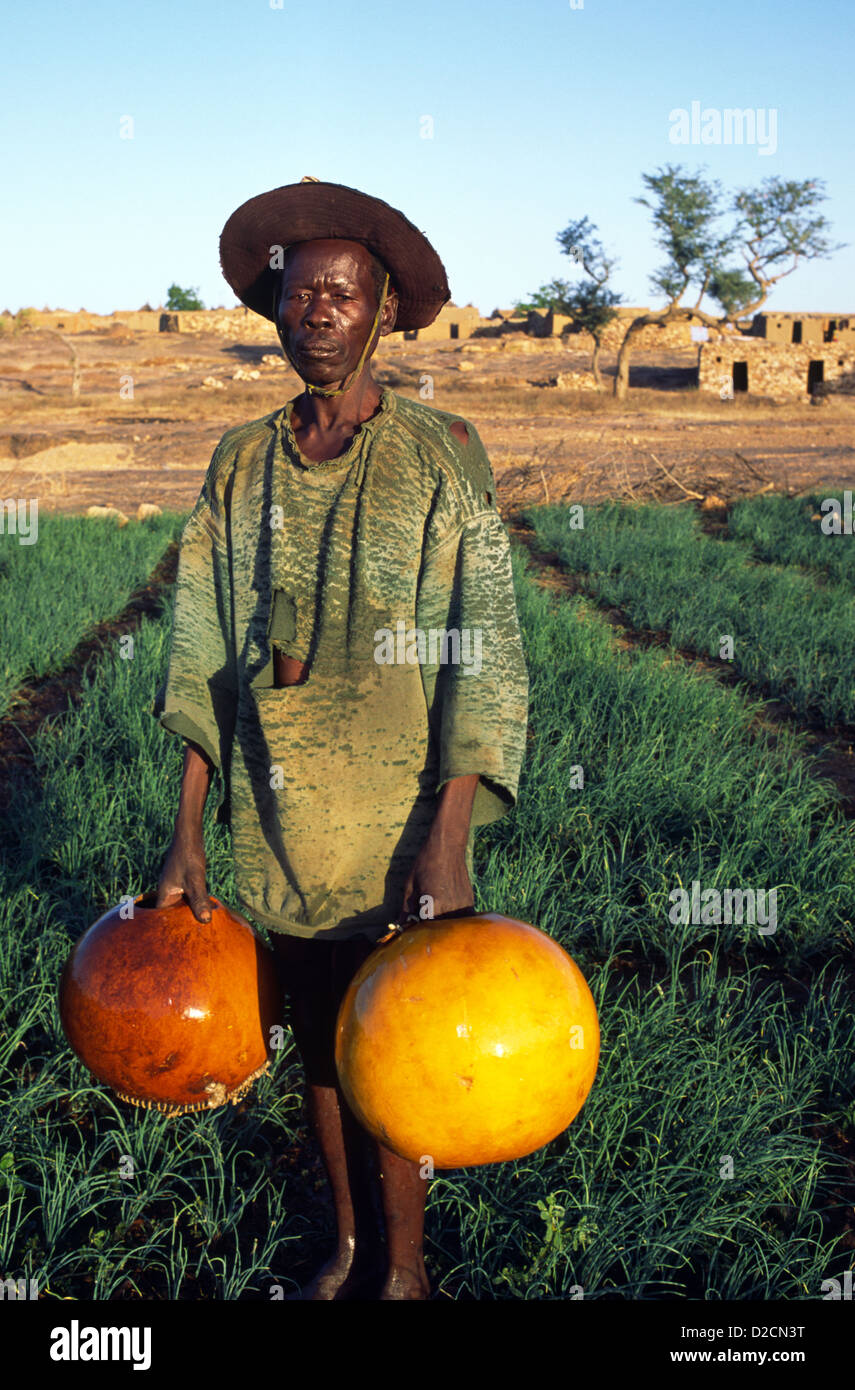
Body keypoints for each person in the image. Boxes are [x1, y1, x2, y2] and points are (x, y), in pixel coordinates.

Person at [152, 178, 529, 1300]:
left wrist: (450, 835)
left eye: (343, 291)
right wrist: (188, 830)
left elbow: (486, 643)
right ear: (275, 308)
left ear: (381, 312)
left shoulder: (439, 450)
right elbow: (200, 643)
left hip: (397, 821)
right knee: (321, 1047)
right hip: (275, 822)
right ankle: (350, 1245)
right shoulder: (241, 460)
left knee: (394, 1054)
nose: (318, 307)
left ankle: (405, 1270)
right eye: (300, 289)